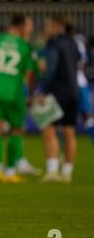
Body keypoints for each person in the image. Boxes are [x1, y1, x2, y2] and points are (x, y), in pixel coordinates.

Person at [0, 14, 38, 183]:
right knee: (16, 131)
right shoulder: (24, 46)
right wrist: (31, 94)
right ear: (21, 26)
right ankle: (10, 171)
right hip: (14, 93)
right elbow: (31, 74)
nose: (30, 30)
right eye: (29, 26)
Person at [39, 16, 80, 183]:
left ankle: (52, 171)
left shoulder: (54, 43)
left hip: (58, 92)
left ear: (56, 26)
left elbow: (51, 69)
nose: (45, 28)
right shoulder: (72, 43)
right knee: (70, 132)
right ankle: (67, 173)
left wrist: (44, 91)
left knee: (49, 130)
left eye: (47, 25)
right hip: (74, 91)